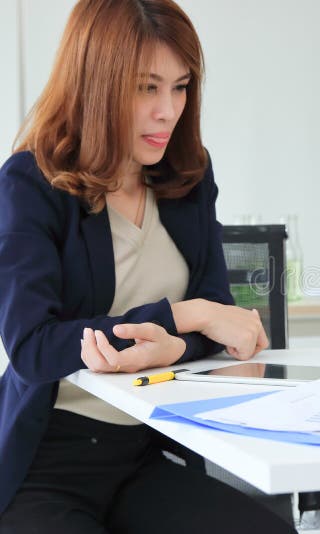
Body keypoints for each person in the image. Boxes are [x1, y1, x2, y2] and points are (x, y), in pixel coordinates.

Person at [0, 1, 295, 532]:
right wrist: (181, 317)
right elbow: (32, 348)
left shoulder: (188, 176)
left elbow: (220, 322)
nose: (168, 110)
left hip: (143, 450)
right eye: (146, 87)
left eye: (180, 86)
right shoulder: (33, 182)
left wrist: (180, 342)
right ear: (95, 84)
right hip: (48, 463)